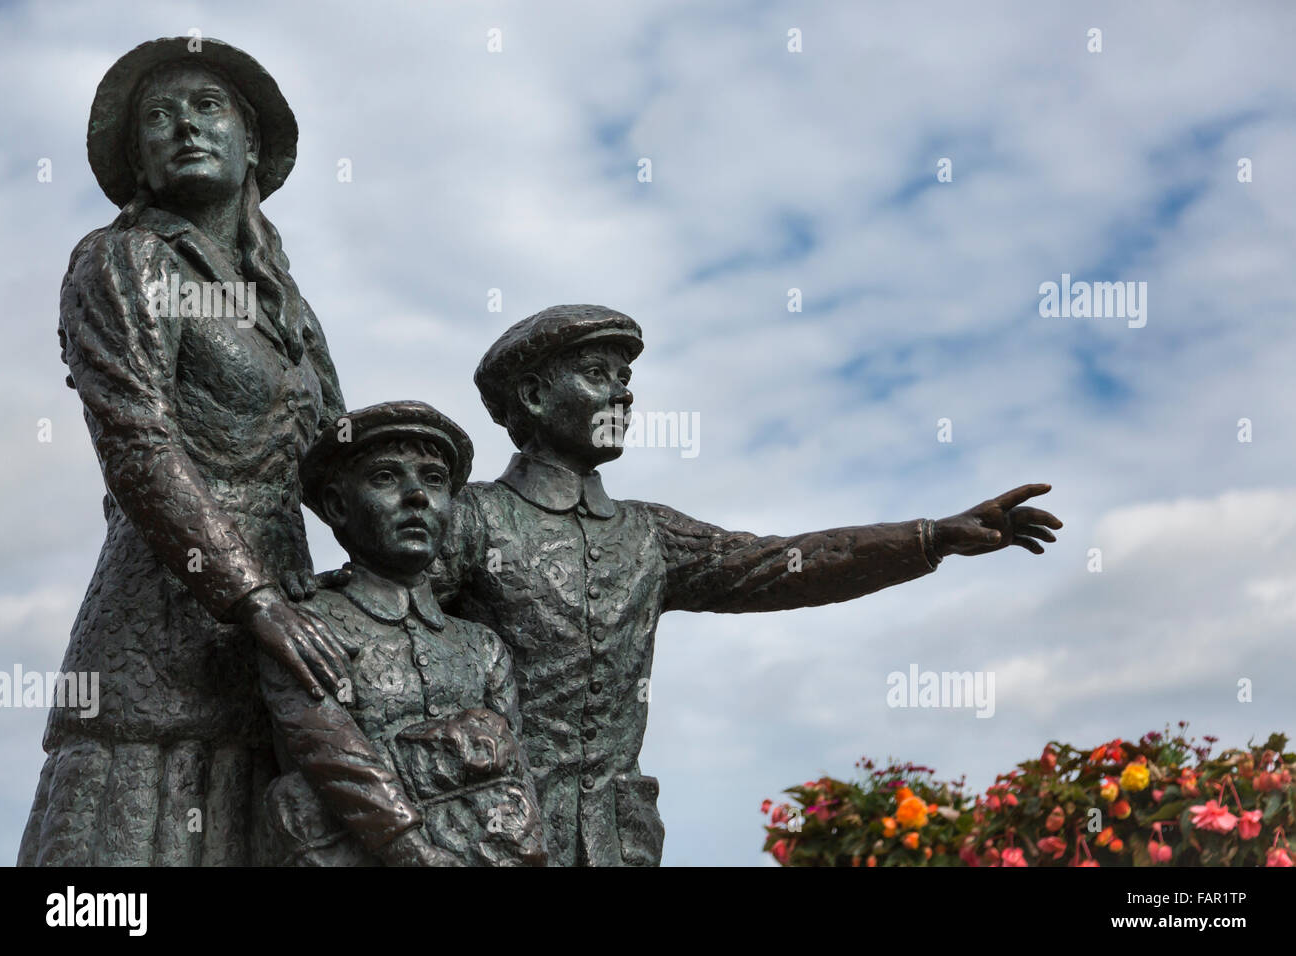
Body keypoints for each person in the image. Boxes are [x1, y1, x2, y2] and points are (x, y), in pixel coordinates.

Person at [423, 303, 1064, 866]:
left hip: (619, 839)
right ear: (533, 396)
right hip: (490, 833)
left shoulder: (649, 534)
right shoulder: (470, 519)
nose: (623, 396)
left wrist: (930, 537)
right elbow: (385, 628)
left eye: (626, 380)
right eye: (597, 376)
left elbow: (782, 563)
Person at [19, 38, 348, 866]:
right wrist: (255, 602)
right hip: (161, 643)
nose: (184, 128)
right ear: (139, 159)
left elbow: (340, 468)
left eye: (208, 107)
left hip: (282, 649)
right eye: (158, 118)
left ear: (251, 144)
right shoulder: (123, 259)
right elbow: (138, 446)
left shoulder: (289, 311)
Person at [257, 401, 546, 866]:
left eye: (434, 480)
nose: (417, 496)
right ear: (337, 506)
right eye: (386, 478)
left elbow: (517, 788)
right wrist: (414, 849)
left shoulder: (482, 647)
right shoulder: (305, 624)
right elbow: (330, 757)